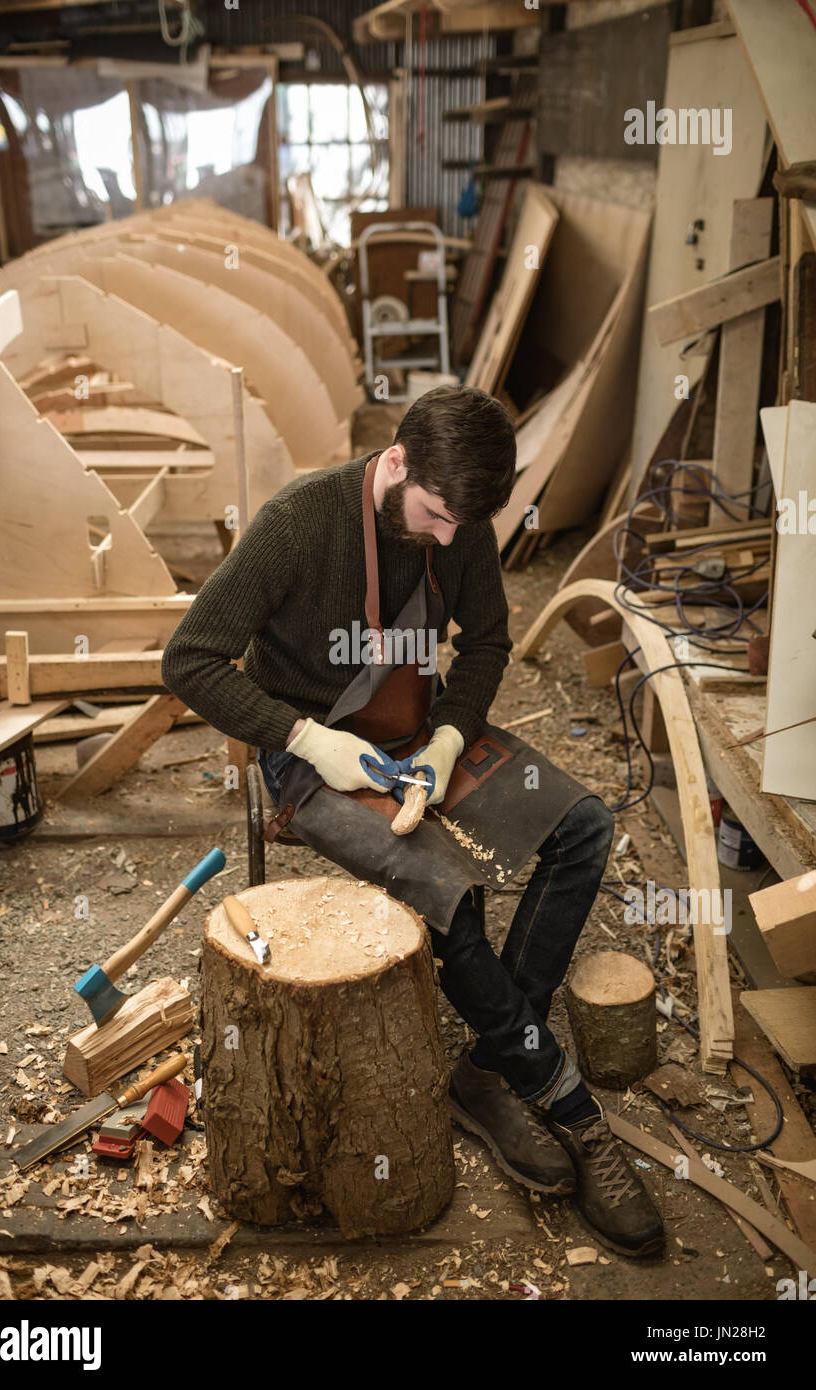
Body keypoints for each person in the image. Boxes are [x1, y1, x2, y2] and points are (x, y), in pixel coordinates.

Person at [162, 384, 664, 1257]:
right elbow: (189, 659)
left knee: (583, 827)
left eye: (457, 526)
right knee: (447, 888)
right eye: (433, 516)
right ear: (395, 464)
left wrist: (446, 741)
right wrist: (305, 738)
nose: (443, 538)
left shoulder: (456, 521)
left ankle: (488, 1068)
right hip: (311, 754)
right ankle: (568, 1103)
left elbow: (489, 643)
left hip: (412, 733)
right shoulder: (298, 523)